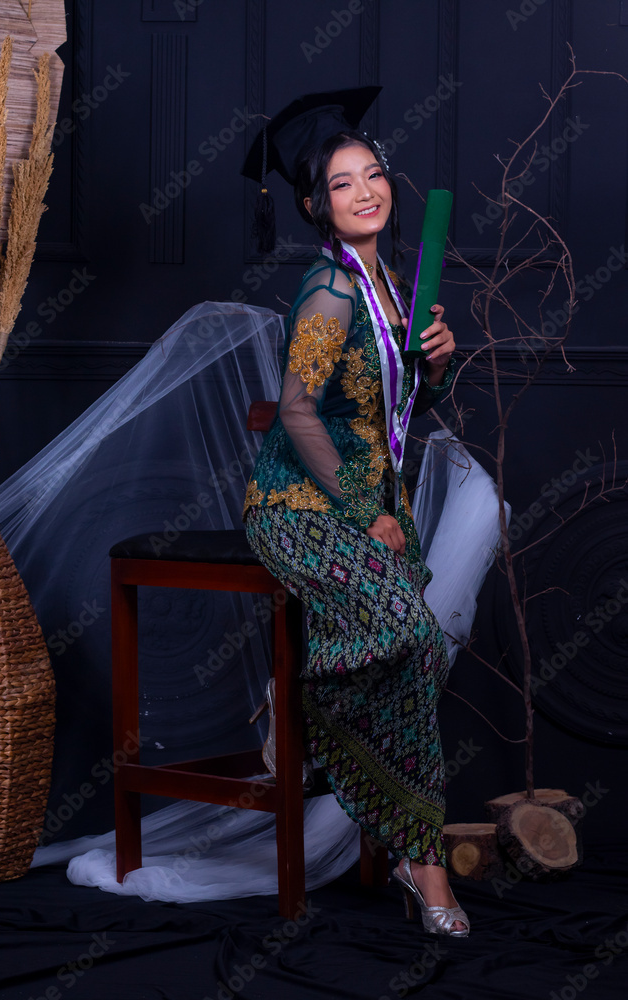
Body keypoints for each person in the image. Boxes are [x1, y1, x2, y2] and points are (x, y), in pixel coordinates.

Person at [242, 88, 470, 937]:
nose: (365, 191)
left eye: (372, 173)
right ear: (314, 207)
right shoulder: (331, 290)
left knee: (417, 648)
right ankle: (299, 705)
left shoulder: (394, 287)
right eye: (342, 183)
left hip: (371, 503)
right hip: (301, 506)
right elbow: (297, 409)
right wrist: (365, 509)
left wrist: (436, 365)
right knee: (403, 630)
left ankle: (417, 857)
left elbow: (397, 405)